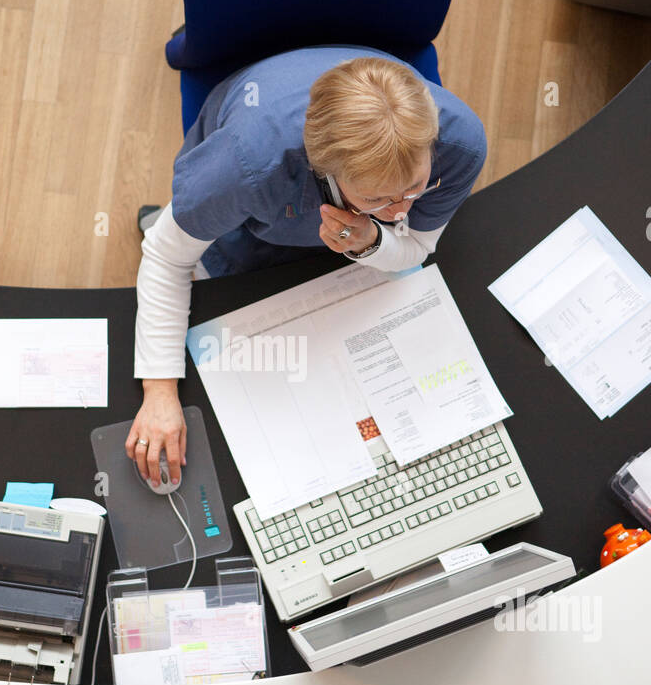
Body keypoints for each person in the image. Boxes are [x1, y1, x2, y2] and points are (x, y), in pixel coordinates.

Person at [127, 46, 487, 484]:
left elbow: (417, 243)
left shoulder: (461, 145)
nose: (398, 214)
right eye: (376, 198)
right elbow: (166, 255)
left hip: (343, 240)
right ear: (325, 170)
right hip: (249, 219)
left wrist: (373, 241)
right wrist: (160, 390)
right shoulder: (246, 166)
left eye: (414, 188)